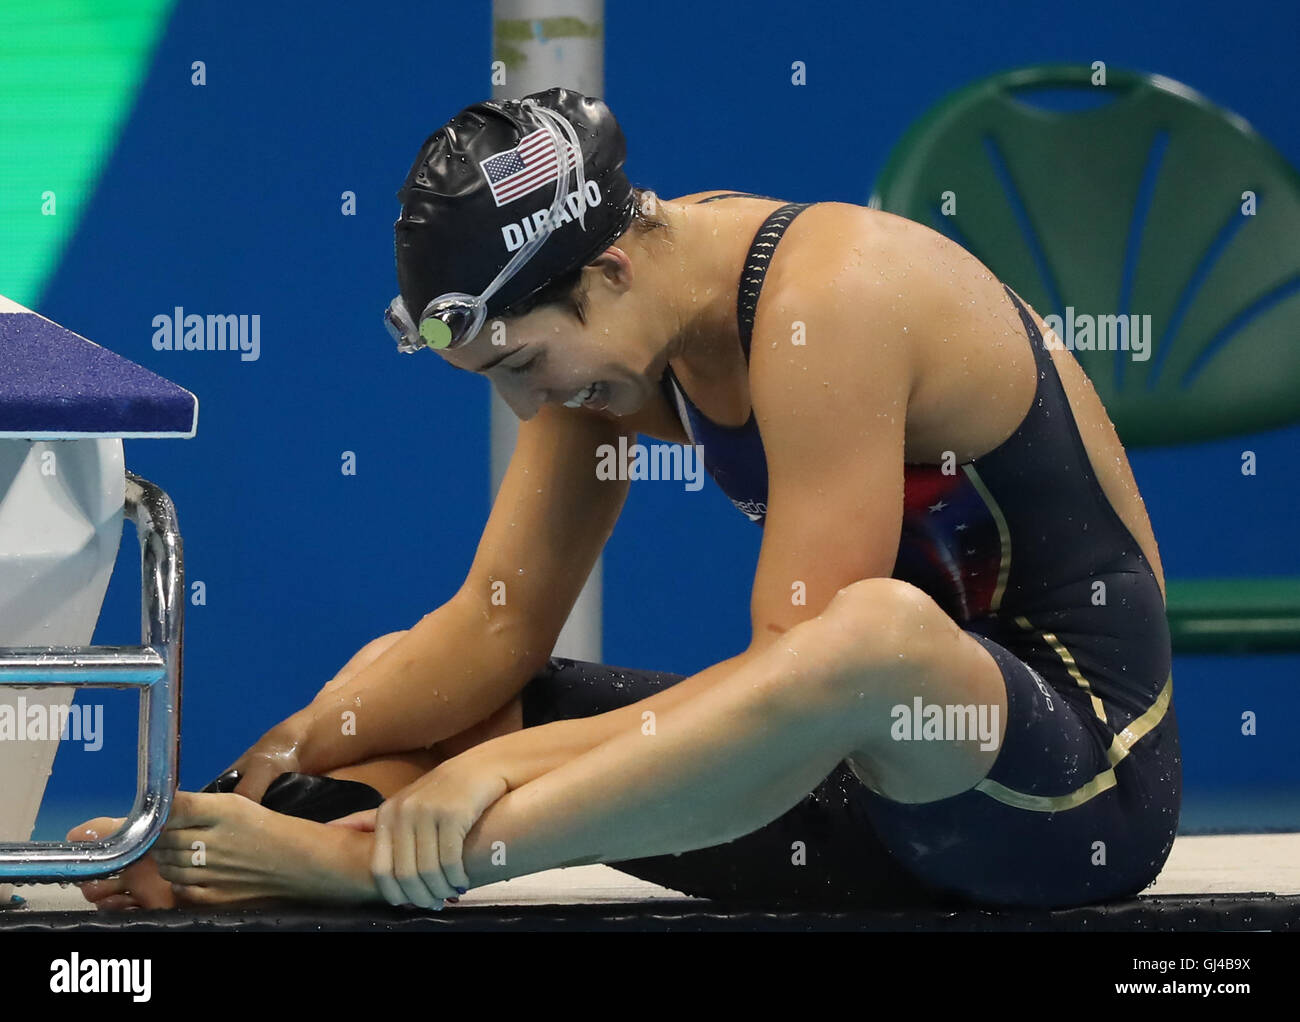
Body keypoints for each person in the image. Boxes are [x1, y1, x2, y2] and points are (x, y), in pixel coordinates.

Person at [73, 87, 1180, 912]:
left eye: (520, 367)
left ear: (607, 271)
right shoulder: (620, 330)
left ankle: (374, 867)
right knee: (424, 692)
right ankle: (233, 860)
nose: (530, 405)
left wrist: (492, 774)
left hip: (1067, 796)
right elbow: (494, 624)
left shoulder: (834, 297)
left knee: (874, 636)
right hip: (849, 801)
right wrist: (280, 758)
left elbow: (810, 670)